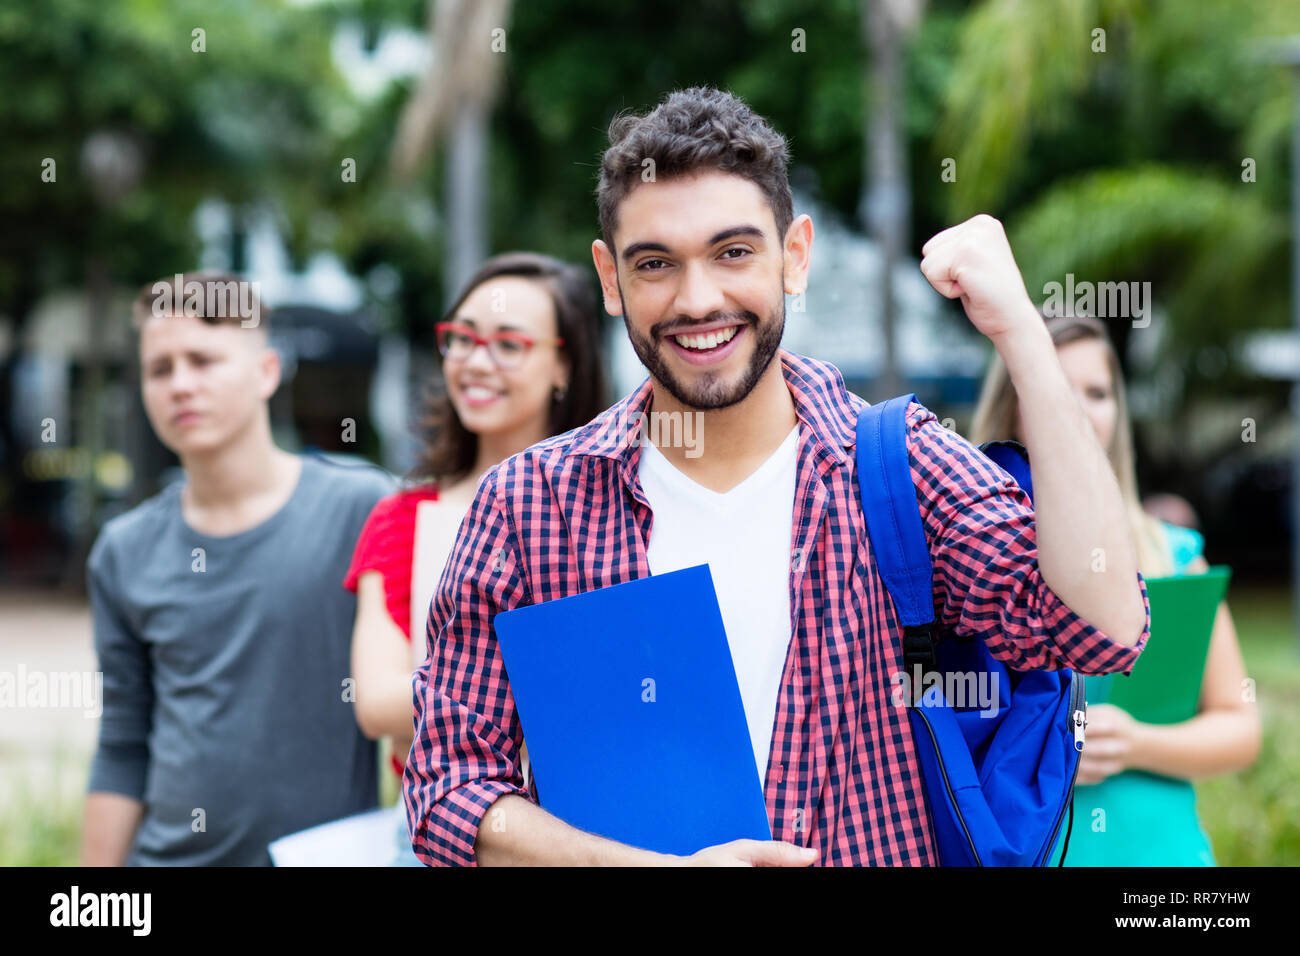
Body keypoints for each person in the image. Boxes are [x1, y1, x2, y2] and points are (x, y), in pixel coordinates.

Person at [404, 86, 1152, 867]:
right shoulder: (532, 504)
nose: (697, 301)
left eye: (733, 253)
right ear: (609, 276)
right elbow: (447, 791)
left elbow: (1103, 628)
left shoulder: (900, 468)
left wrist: (1022, 332)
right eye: (655, 263)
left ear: (794, 255)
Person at [81, 273, 393, 866]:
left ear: (266, 372)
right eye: (160, 369)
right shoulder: (123, 549)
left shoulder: (363, 508)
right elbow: (122, 745)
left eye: (202, 360)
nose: (181, 385)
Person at [343, 252, 607, 865]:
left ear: (564, 363)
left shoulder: (621, 503)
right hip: (443, 838)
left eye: (509, 344)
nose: (475, 362)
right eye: (461, 339)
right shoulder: (400, 519)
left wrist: (462, 698)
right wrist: (533, 694)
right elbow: (376, 699)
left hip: (594, 834)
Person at [970, 312, 1261, 865]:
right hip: (1029, 850)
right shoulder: (971, 565)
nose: (1080, 409)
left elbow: (1239, 728)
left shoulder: (1174, 558)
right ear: (1013, 399)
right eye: (1057, 386)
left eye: (1098, 392)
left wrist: (1135, 743)